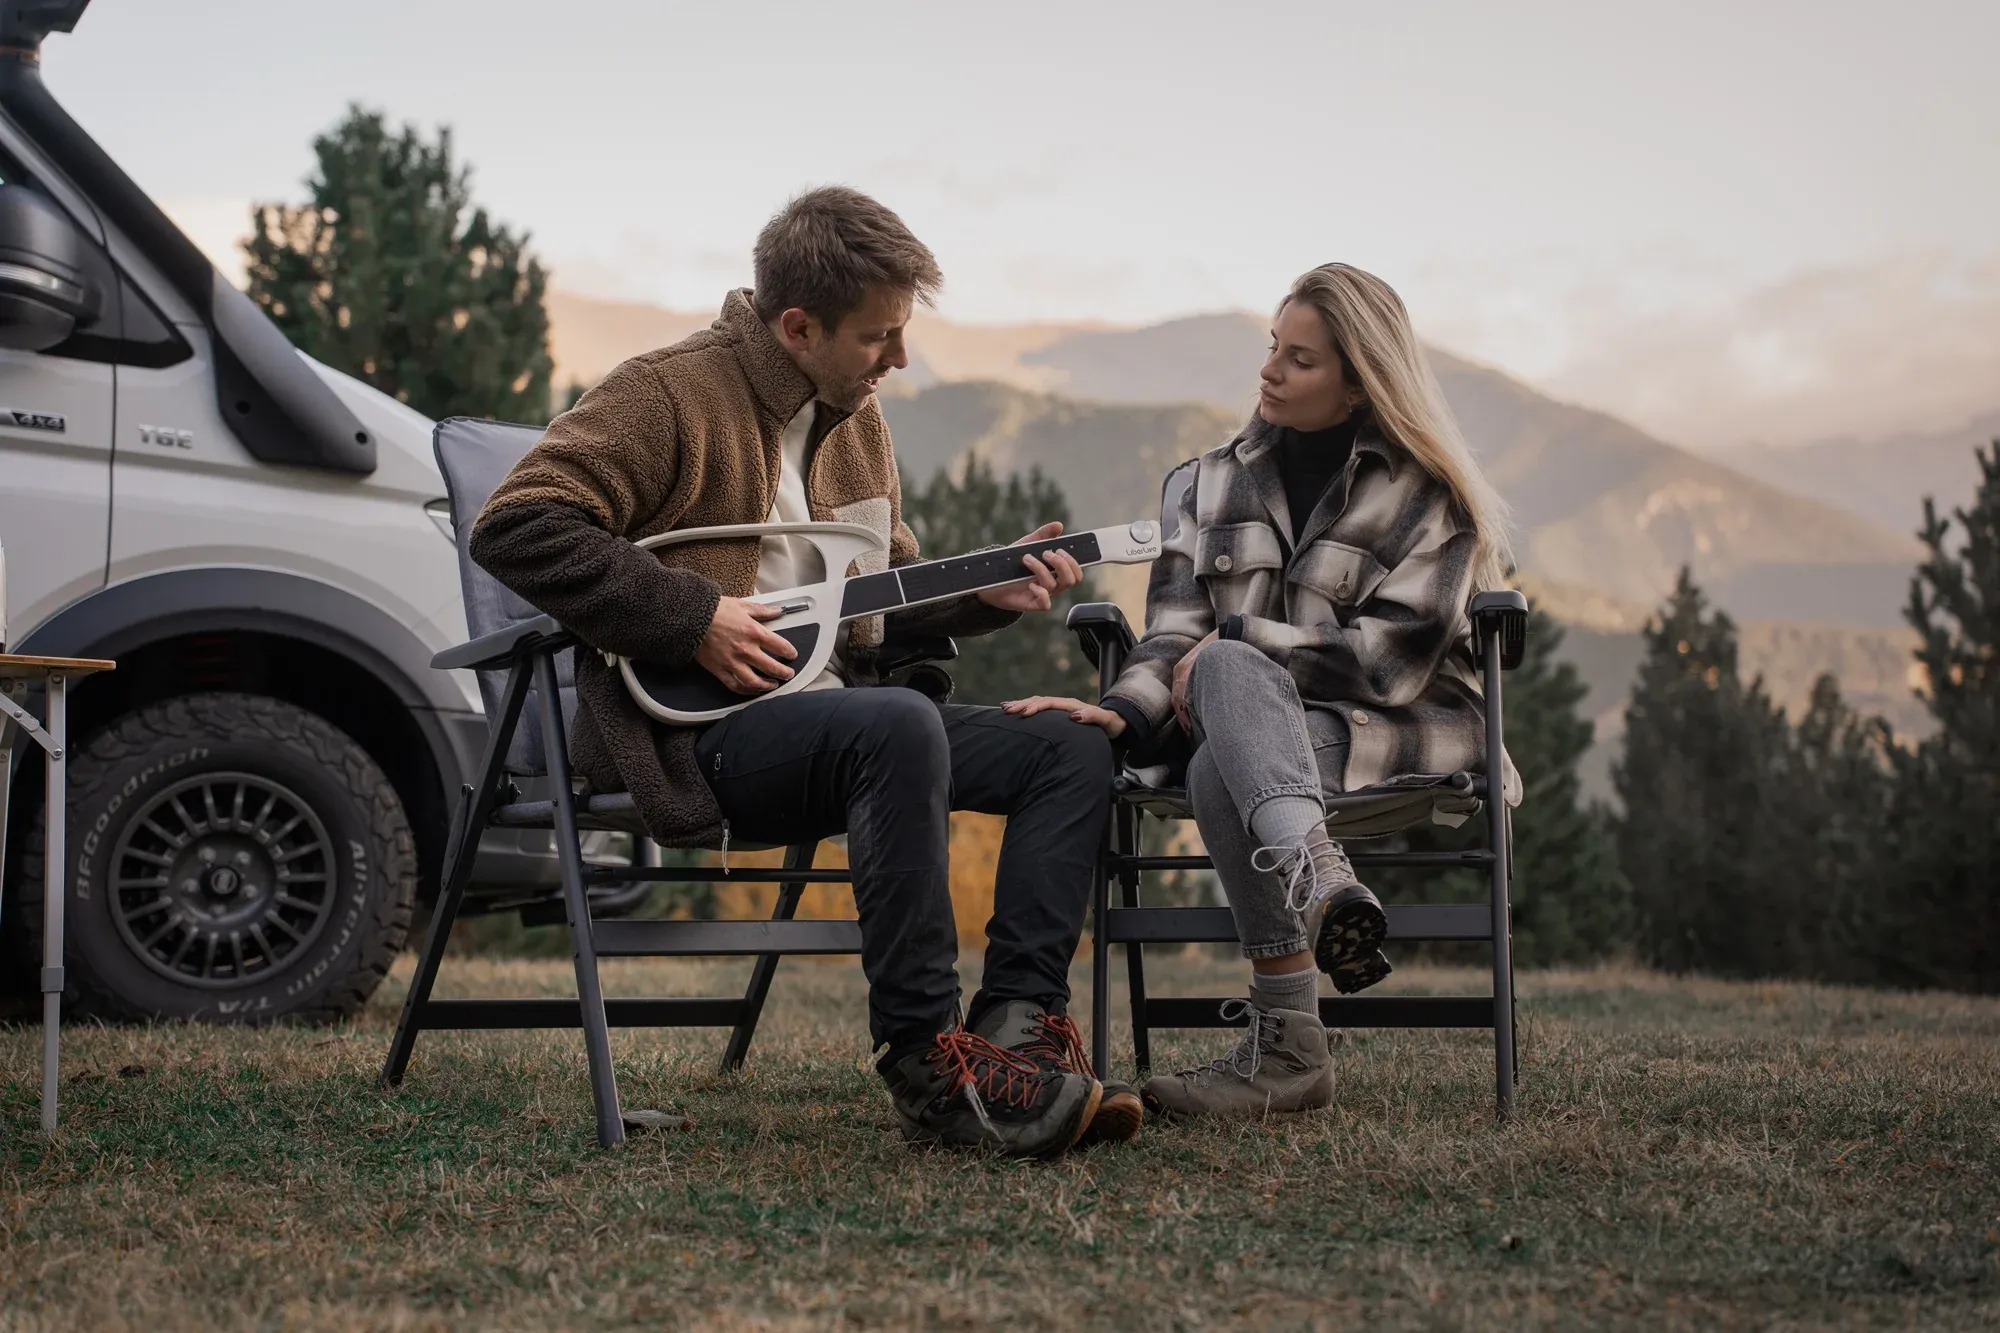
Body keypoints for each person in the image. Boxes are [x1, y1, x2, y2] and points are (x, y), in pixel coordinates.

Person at [469, 187, 1139, 1158]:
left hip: (849, 725)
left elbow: (875, 605)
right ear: (797, 327)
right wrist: (692, 618)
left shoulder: (859, 420)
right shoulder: (664, 395)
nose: (898, 358)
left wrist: (979, 596)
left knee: (1068, 747)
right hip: (700, 737)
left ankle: (1015, 1035)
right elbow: (515, 525)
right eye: (878, 336)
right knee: (897, 724)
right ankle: (930, 1066)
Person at [1006, 262, 1517, 1119]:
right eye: (1273, 347)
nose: (1269, 371)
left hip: (1400, 730)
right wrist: (1124, 711)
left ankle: (1289, 1039)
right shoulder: (1207, 482)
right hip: (1260, 749)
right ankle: (1321, 891)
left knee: (1227, 695)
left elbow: (1389, 662)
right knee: (1221, 737)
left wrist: (1239, 642)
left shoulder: (1432, 497)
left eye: (1300, 360)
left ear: (1360, 384)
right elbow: (1172, 630)